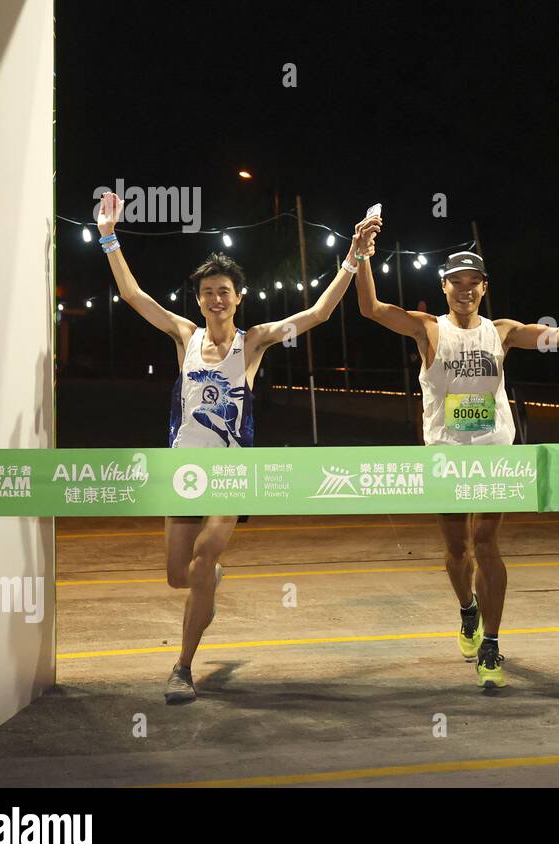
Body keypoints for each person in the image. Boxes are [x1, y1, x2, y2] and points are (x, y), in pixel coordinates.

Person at [96, 190, 379, 704]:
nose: (216, 298)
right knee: (178, 576)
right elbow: (136, 297)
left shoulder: (254, 342)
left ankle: (182, 668)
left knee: (203, 559)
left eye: (224, 290)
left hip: (229, 474)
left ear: (238, 296)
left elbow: (316, 314)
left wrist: (354, 257)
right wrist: (109, 237)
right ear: (199, 299)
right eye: (207, 291)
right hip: (183, 474)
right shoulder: (183, 336)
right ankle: (210, 579)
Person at [354, 207, 559, 688]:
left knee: (485, 542)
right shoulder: (428, 328)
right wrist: (361, 256)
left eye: (473, 281)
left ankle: (492, 645)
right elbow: (371, 309)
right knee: (456, 550)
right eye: (456, 281)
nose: (465, 289)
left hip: (495, 451)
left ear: (483, 287)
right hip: (446, 453)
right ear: (444, 287)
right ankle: (468, 610)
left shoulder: (502, 331)